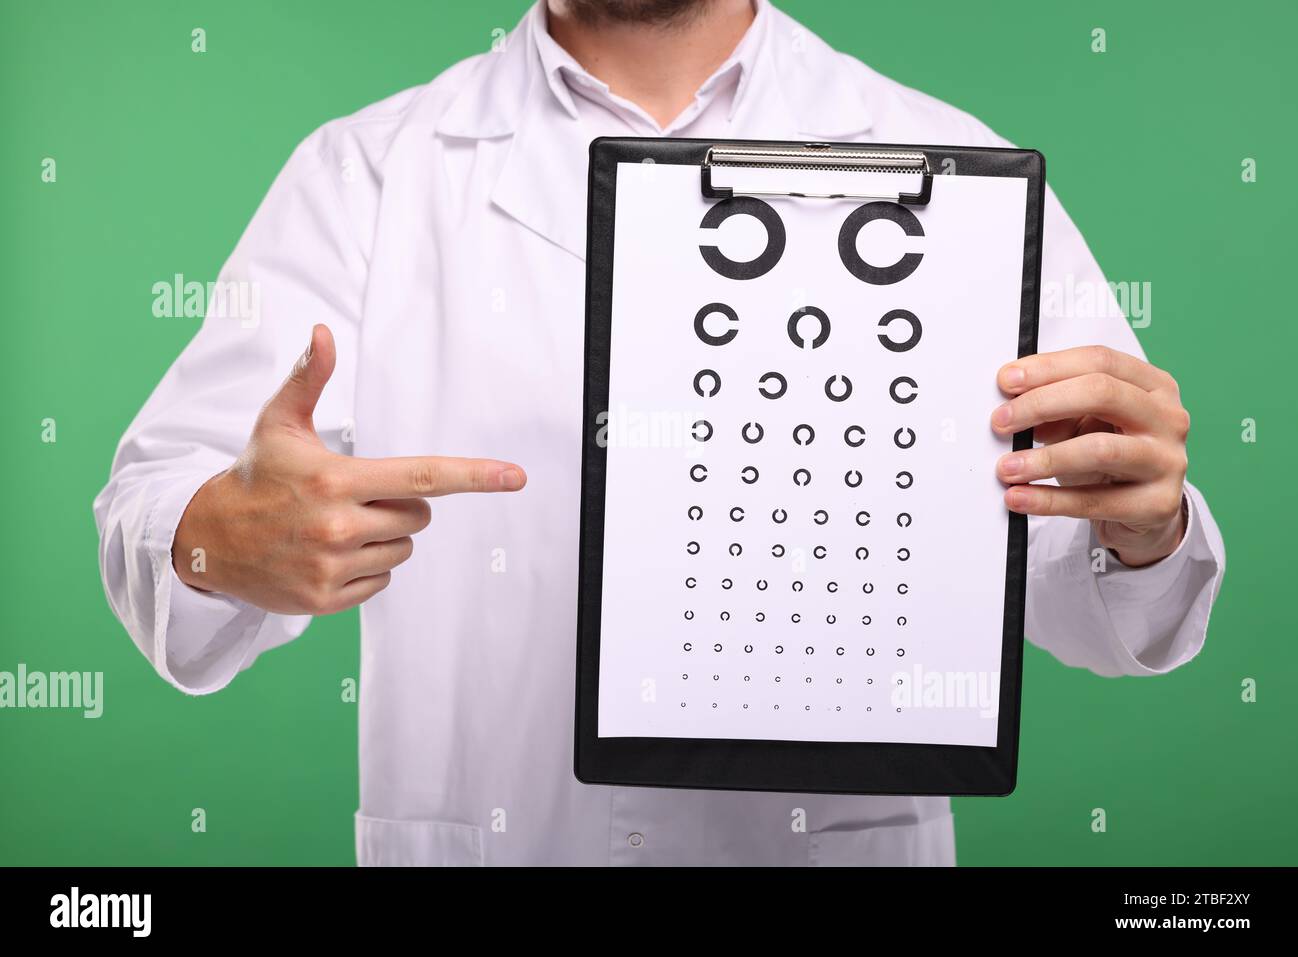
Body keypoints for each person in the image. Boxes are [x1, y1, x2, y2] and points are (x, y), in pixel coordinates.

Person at [94, 0, 1225, 866]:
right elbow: (157, 513)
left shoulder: (950, 168)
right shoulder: (370, 173)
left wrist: (1145, 525)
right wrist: (215, 536)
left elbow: (1102, 611)